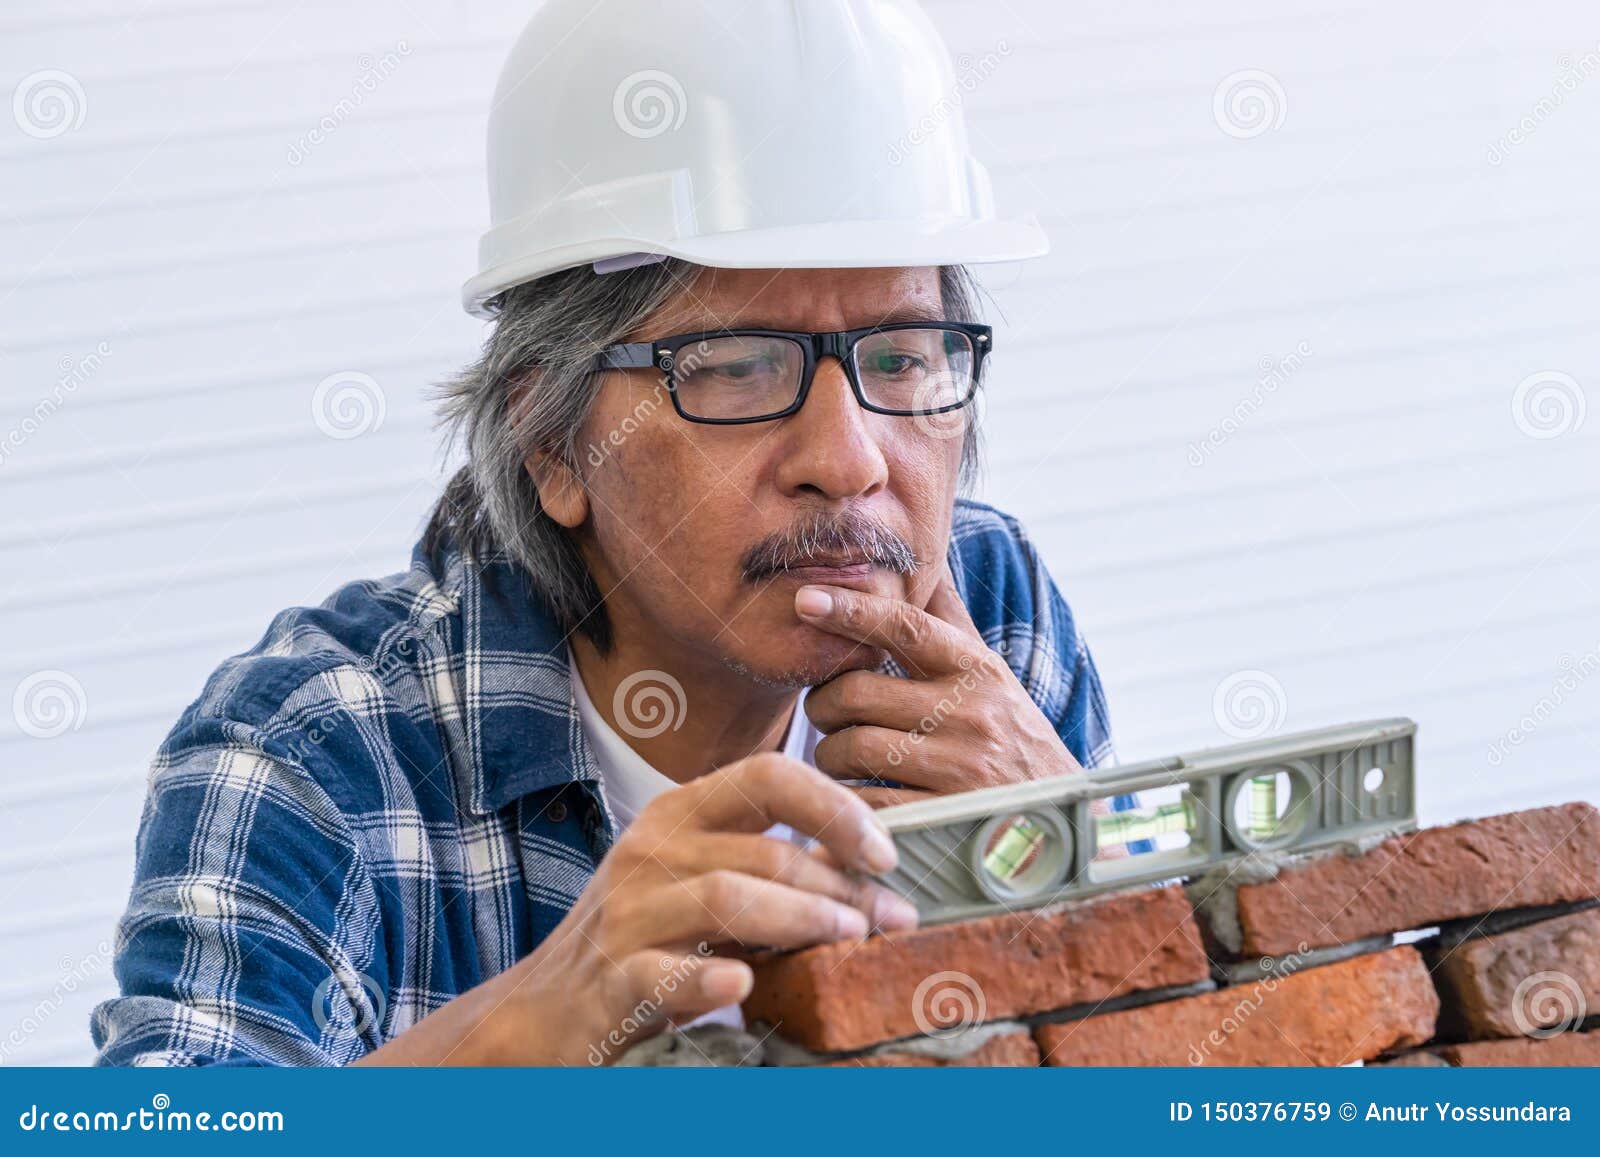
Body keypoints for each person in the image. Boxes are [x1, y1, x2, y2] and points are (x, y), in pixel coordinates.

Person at [93, 0, 1138, 1067]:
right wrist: (526, 1026)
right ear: (550, 442)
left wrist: (1090, 861)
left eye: (905, 357)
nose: (853, 458)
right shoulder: (320, 750)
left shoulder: (990, 609)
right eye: (736, 366)